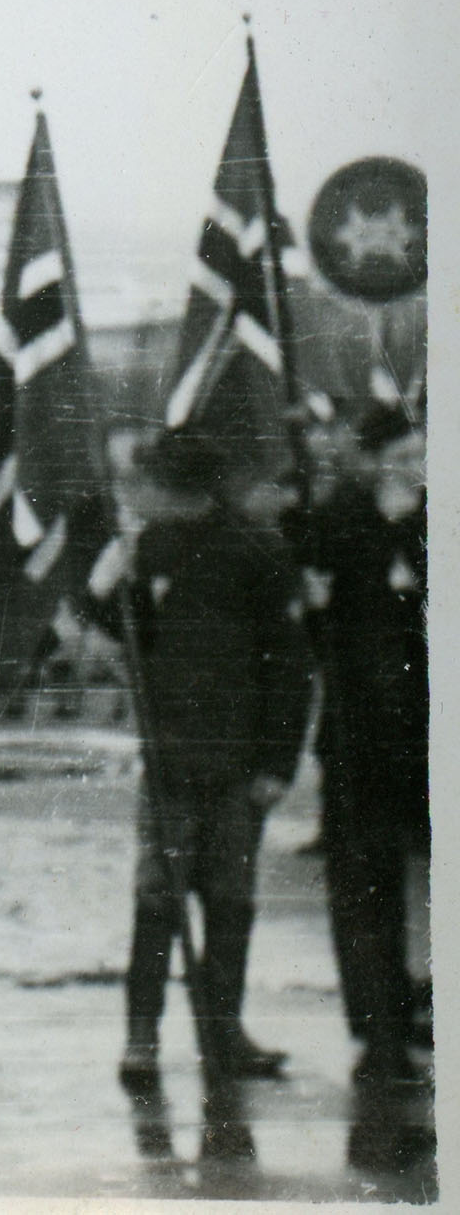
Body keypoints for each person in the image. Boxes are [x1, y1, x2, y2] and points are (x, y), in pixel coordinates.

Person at [116, 435, 309, 1083]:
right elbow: (132, 635)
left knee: (229, 904)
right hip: (169, 762)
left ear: (182, 489)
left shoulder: (258, 549)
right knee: (156, 903)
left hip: (238, 765)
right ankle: (141, 1038)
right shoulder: (149, 548)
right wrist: (106, 589)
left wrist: (277, 764)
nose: (138, 494)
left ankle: (223, 1033)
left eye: (149, 483)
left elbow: (289, 665)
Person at [303, 404, 429, 1085]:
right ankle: (380, 1030)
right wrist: (391, 527)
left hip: (424, 728)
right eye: (401, 455)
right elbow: (324, 612)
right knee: (366, 882)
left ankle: (408, 1009)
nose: (415, 467)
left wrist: (409, 525)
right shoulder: (338, 518)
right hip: (361, 729)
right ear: (370, 458)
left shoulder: (426, 517)